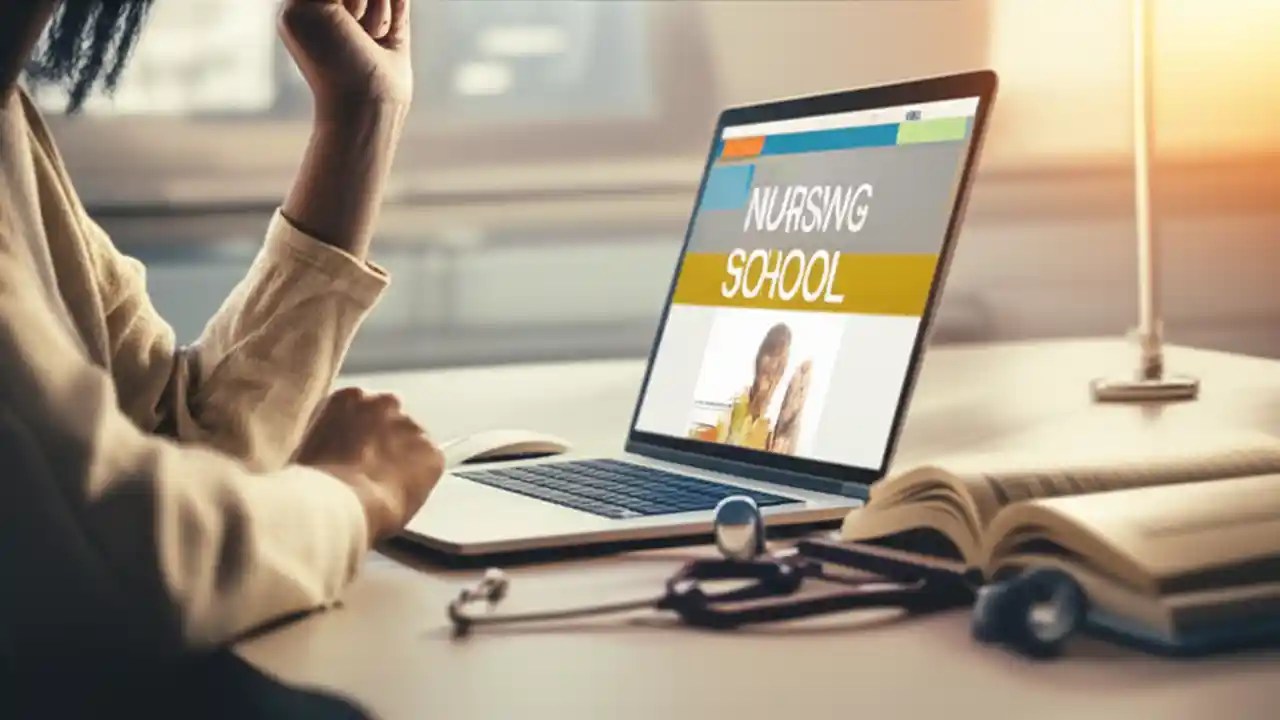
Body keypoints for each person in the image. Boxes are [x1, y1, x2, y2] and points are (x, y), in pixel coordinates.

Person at [0, 0, 444, 685]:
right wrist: (357, 493)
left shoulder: (11, 121)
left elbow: (185, 450)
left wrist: (363, 113)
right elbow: (125, 559)